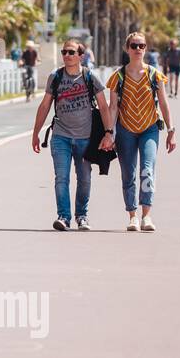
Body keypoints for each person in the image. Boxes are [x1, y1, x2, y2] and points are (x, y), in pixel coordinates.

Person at [31, 39, 114, 231]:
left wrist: (109, 133)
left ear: (80, 56)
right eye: (64, 52)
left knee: (84, 179)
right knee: (61, 177)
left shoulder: (89, 77)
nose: (67, 55)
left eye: (71, 52)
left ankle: (82, 216)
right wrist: (36, 133)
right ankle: (64, 217)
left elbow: (103, 106)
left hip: (85, 138)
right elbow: (45, 105)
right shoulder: (56, 77)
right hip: (61, 136)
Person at [107, 31, 176, 231]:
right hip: (125, 129)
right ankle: (132, 216)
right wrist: (109, 132)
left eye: (142, 46)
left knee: (147, 170)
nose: (138, 49)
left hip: (149, 128)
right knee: (128, 173)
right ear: (127, 49)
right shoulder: (117, 76)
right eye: (134, 46)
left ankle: (146, 215)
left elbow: (163, 103)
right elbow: (113, 108)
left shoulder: (154, 74)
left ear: (146, 48)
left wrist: (171, 130)